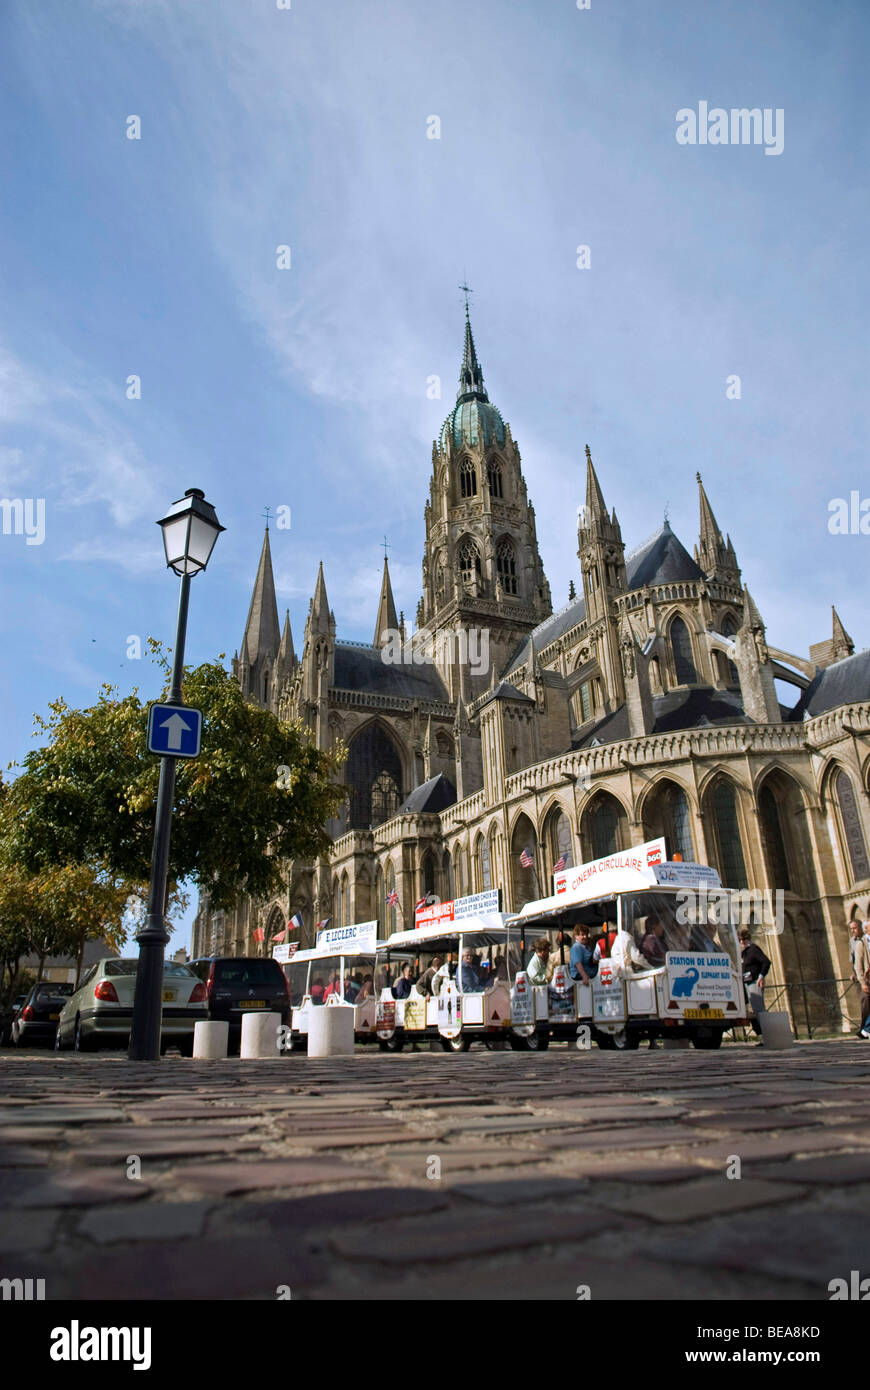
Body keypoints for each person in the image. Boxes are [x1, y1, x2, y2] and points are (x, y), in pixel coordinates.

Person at [739, 927, 771, 1039]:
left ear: (742, 940)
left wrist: (761, 977)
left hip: (754, 982)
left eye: (740, 940)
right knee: (755, 1009)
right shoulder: (745, 952)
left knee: (759, 1009)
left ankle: (768, 1035)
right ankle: (763, 1035)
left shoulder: (753, 949)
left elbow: (766, 962)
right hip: (747, 983)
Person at [848, 918, 870, 1036]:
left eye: (855, 928)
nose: (853, 931)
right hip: (862, 977)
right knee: (865, 1001)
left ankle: (865, 1029)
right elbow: (854, 961)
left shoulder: (865, 940)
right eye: (851, 929)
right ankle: (865, 1028)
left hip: (866, 974)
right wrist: (855, 975)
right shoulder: (854, 942)